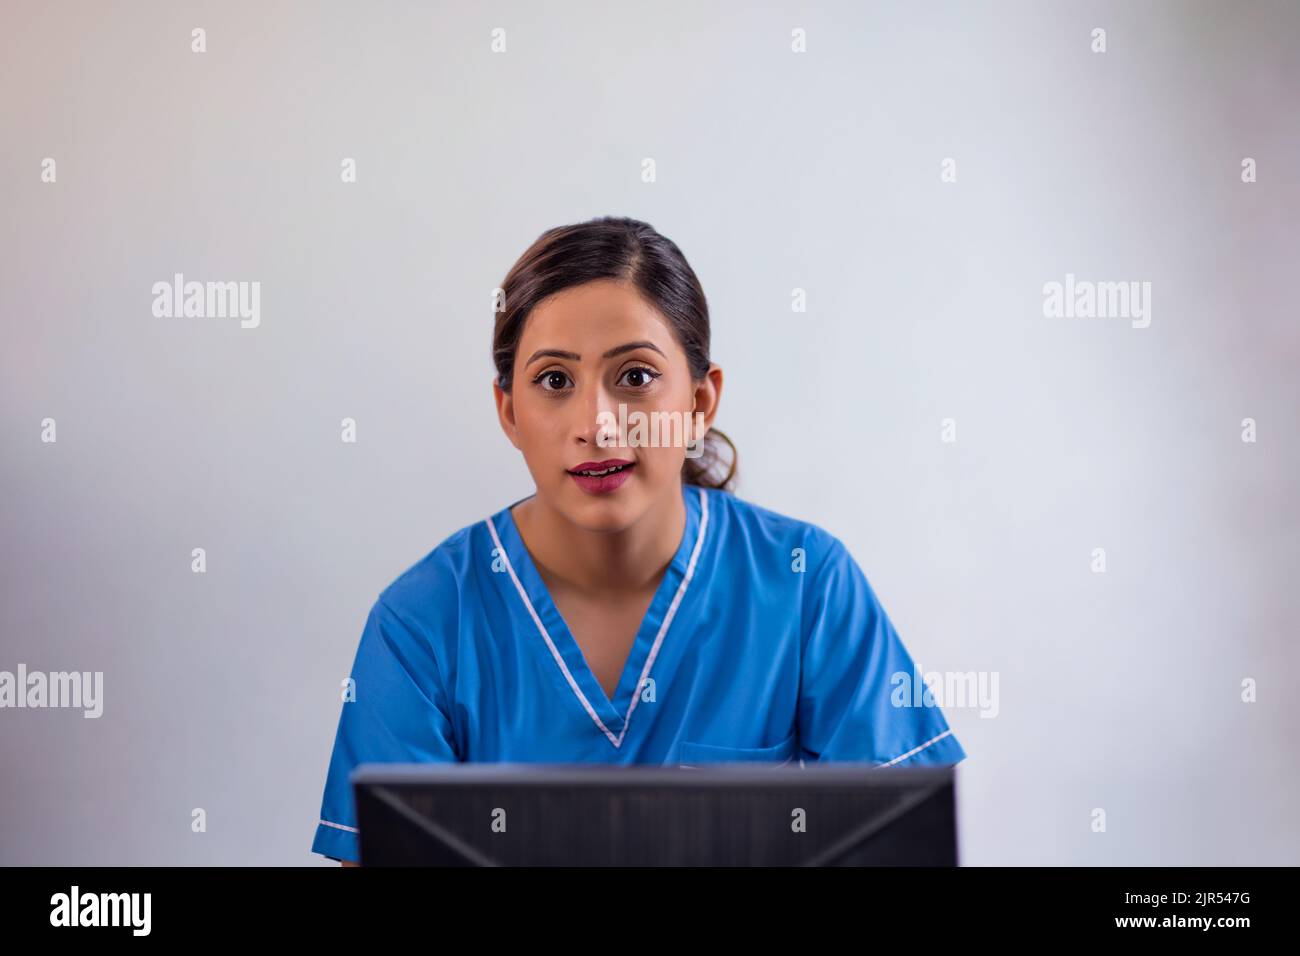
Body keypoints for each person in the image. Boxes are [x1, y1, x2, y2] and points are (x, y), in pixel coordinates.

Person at [312, 216, 966, 864]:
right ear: (509, 411)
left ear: (701, 403)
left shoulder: (807, 583)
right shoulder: (421, 623)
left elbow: (897, 840)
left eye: (635, 377)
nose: (596, 425)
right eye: (555, 381)